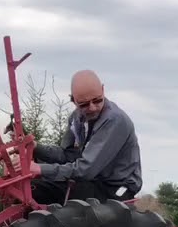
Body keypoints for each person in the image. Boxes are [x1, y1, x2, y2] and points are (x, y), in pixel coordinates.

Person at [13, 69, 143, 205]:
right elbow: (67, 155)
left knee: (42, 189)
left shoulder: (115, 121)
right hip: (92, 183)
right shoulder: (76, 118)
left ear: (103, 90)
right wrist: (36, 148)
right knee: (32, 188)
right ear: (73, 100)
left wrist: (40, 169)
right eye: (84, 104)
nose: (92, 107)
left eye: (97, 100)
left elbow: (86, 169)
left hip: (114, 191)